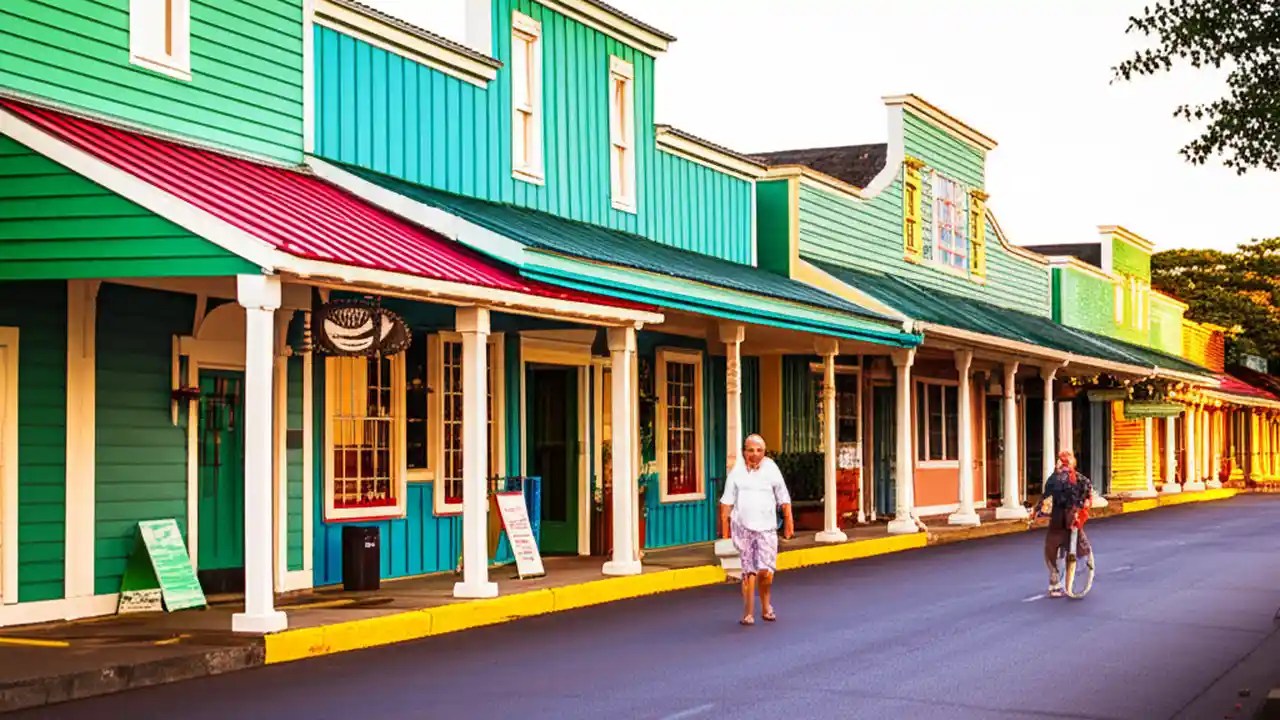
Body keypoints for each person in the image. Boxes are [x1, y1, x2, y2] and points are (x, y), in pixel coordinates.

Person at [720, 434, 794, 625]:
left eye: (759, 450)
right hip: (743, 527)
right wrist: (725, 532)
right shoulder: (737, 472)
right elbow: (726, 502)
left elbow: (783, 496)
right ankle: (748, 612)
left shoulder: (771, 468)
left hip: (767, 528)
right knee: (749, 571)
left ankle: (766, 604)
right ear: (744, 451)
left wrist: (789, 522)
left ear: (764, 452)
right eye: (751, 450)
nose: (755, 454)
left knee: (766, 572)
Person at [1029, 449, 1094, 597]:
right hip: (1066, 519)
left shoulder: (1064, 479)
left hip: (1066, 519)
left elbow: (1045, 497)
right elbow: (1087, 497)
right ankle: (1060, 579)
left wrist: (1036, 511)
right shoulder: (1072, 479)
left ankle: (1058, 580)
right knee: (1060, 547)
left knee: (1057, 548)